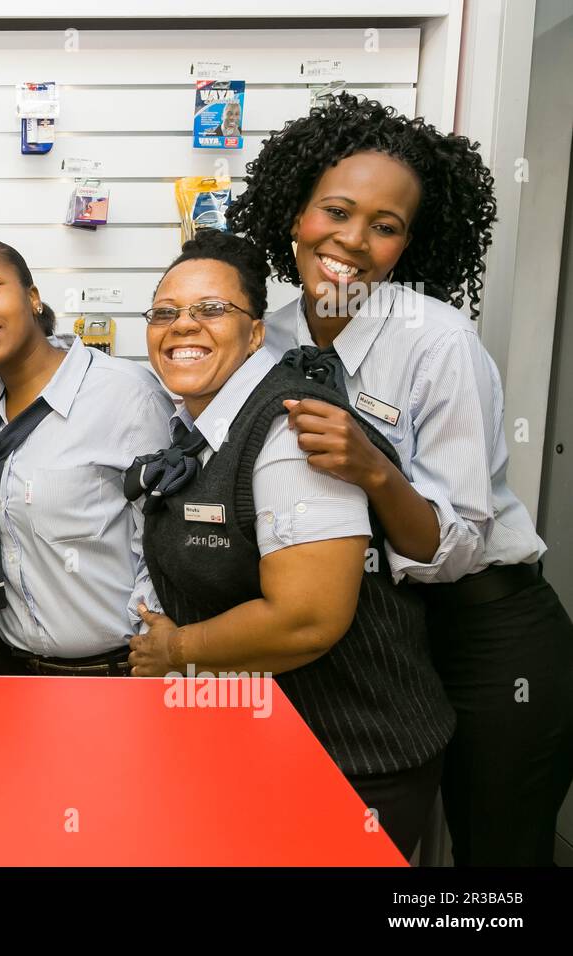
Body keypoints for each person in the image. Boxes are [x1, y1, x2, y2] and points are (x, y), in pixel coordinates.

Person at [227, 92, 573, 866]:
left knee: (495, 859)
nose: (352, 241)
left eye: (385, 227)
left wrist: (374, 468)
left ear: (408, 245)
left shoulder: (440, 342)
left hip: (487, 629)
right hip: (376, 638)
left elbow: (453, 546)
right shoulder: (268, 335)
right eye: (336, 211)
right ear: (295, 212)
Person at [126, 229, 455, 860]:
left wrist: (177, 651)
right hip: (269, 743)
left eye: (210, 310)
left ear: (256, 335)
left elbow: (307, 619)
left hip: (352, 757)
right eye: (164, 313)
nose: (181, 326)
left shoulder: (287, 435)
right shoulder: (202, 426)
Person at [0, 238, 172, 675]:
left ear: (33, 297)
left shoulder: (124, 394)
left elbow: (163, 541)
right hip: (11, 670)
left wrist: (152, 650)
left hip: (115, 673)